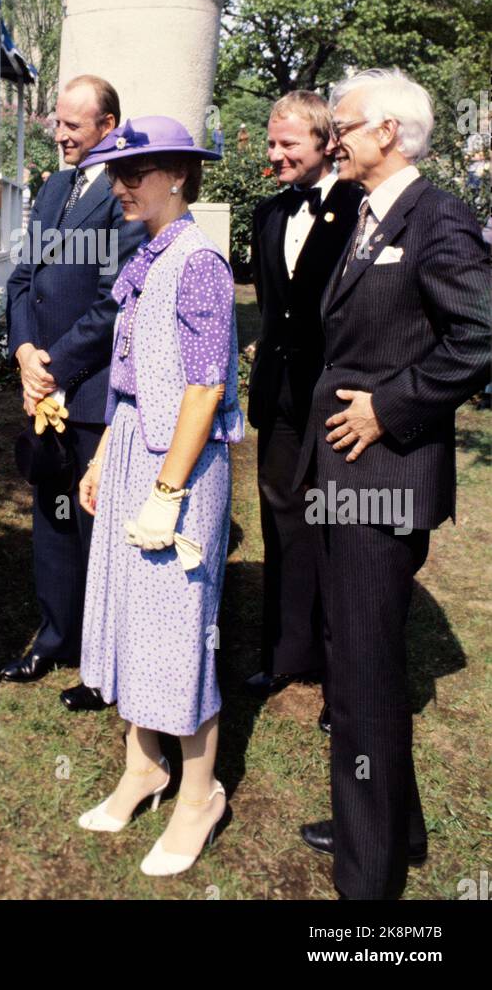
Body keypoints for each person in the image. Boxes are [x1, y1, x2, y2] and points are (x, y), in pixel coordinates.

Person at [295, 68, 490, 900]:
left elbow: (481, 329)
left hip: (383, 476)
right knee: (352, 657)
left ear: (388, 133)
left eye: (342, 126)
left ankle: (367, 884)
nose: (331, 138)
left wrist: (390, 409)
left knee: (366, 672)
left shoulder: (436, 215)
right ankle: (390, 825)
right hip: (343, 474)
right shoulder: (366, 210)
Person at [76, 116, 243, 877]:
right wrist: (106, 455)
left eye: (134, 173)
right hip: (136, 451)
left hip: (180, 466)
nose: (119, 186)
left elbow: (205, 387)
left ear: (176, 175)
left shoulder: (198, 260)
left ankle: (199, 795)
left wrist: (166, 491)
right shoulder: (151, 253)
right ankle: (142, 768)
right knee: (129, 618)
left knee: (177, 633)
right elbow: (132, 379)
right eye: (118, 173)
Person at [3, 75, 145, 710]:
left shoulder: (126, 193)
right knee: (51, 520)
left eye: (73, 127)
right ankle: (55, 636)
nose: (60, 135)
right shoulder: (54, 185)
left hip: (91, 396)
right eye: (56, 124)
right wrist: (24, 352)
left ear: (107, 127)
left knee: (95, 527)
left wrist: (55, 366)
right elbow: (23, 279)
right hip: (45, 390)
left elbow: (115, 302)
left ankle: (100, 659)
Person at [246, 93, 362, 726]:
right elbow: (272, 304)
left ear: (325, 143)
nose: (276, 154)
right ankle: (287, 652)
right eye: (271, 143)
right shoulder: (267, 213)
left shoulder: (359, 209)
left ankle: (341, 669)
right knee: (281, 521)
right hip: (279, 396)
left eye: (289, 143)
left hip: (339, 399)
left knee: (338, 529)